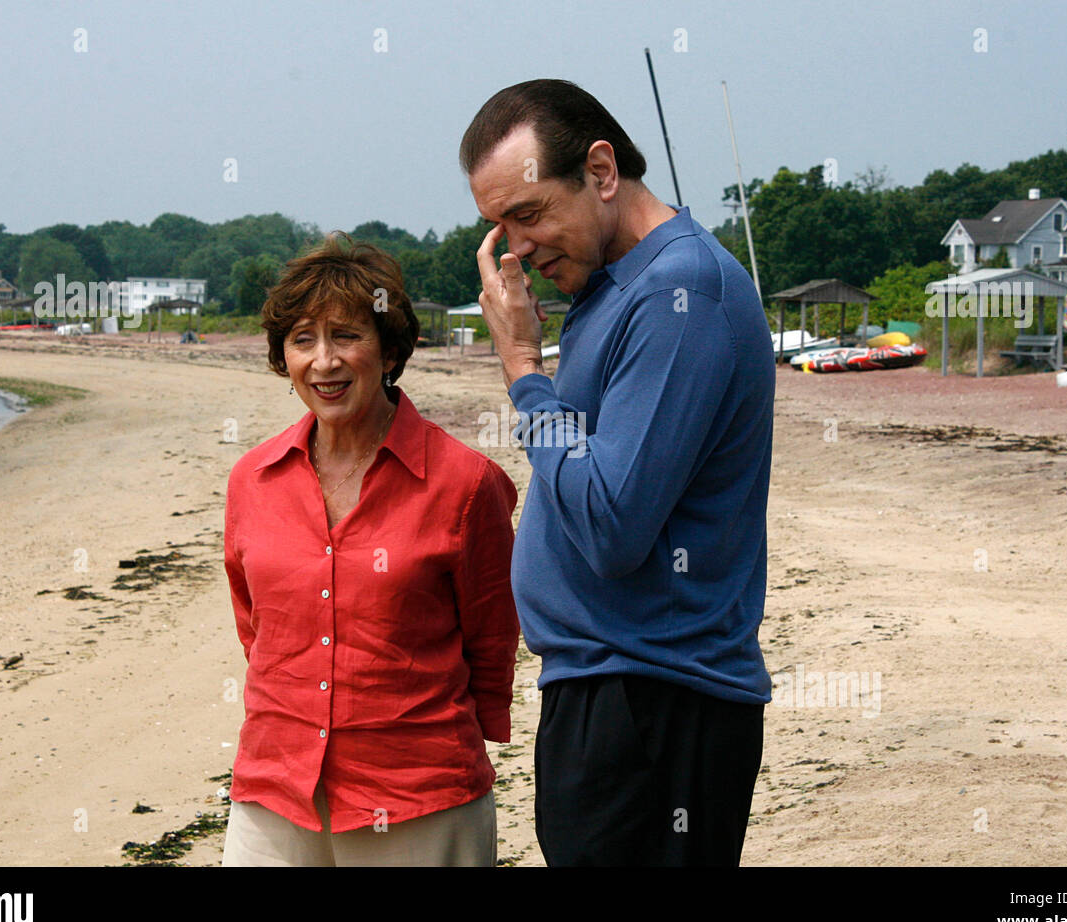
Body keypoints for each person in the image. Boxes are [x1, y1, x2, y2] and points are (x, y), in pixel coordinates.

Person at [460, 79, 774, 866]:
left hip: (655, 698)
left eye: (527, 215)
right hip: (616, 689)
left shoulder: (680, 292)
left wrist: (526, 370)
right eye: (499, 228)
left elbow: (610, 524)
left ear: (602, 171)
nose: (518, 248)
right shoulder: (621, 291)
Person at [220, 233, 519, 866]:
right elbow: (259, 631)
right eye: (303, 340)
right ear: (283, 359)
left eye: (347, 336)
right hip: (274, 787)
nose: (324, 362)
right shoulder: (252, 480)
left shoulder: (465, 484)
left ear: (389, 351)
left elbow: (492, 641)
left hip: (419, 796)